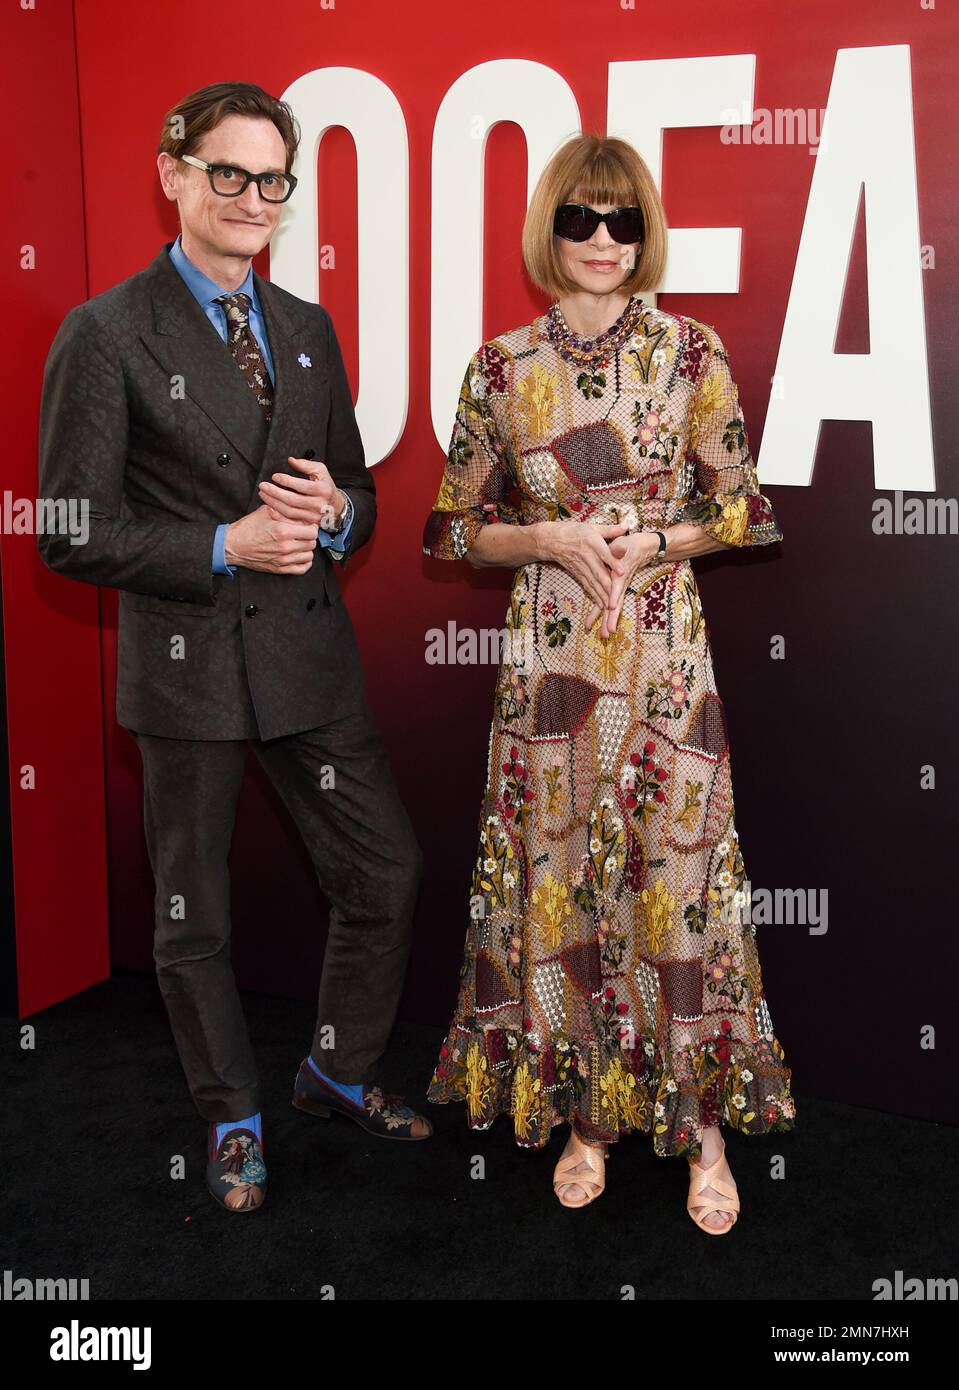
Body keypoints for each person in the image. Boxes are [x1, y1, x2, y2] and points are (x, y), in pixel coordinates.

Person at [37, 81, 429, 1214]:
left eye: (272, 180)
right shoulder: (104, 333)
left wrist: (338, 512)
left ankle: (334, 1071)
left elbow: (353, 488)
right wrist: (223, 542)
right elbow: (66, 530)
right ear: (172, 173)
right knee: (189, 914)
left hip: (308, 662)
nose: (253, 198)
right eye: (228, 173)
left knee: (385, 870)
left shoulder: (304, 329)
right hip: (187, 670)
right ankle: (232, 1119)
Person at [422, 133, 796, 1233]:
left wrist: (661, 543)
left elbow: (746, 509)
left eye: (621, 220)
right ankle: (589, 1108)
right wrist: (538, 530)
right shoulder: (500, 365)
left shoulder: (691, 352)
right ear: (551, 227)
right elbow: (451, 528)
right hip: (548, 658)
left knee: (674, 879)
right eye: (580, 219)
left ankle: (698, 1121)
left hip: (663, 662)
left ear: (644, 232)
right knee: (564, 872)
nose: (599, 240)